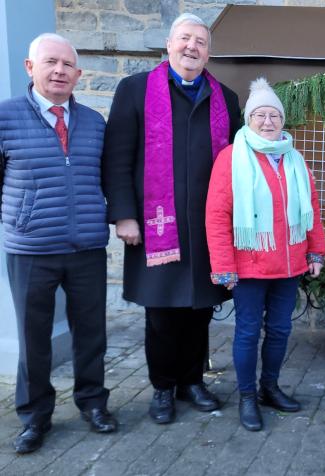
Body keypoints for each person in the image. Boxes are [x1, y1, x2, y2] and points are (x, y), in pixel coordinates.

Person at [102, 13, 241, 424]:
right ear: (168, 43)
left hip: (205, 228)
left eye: (200, 41)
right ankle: (163, 387)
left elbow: (235, 164)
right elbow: (117, 156)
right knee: (161, 313)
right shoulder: (135, 90)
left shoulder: (226, 99)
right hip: (154, 224)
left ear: (209, 52)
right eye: (185, 38)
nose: (191, 47)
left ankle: (191, 381)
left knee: (200, 309)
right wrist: (124, 215)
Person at [0, 33, 118, 454]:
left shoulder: (93, 121)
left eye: (68, 65)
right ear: (30, 68)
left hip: (86, 248)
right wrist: (17, 221)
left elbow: (109, 178)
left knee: (92, 334)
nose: (60, 71)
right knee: (34, 340)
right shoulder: (5, 116)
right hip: (31, 250)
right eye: (50, 62)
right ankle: (34, 417)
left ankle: (92, 403)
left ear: (79, 74)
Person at [205, 78, 325, 431]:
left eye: (274, 115)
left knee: (279, 331)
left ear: (283, 120)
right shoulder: (232, 158)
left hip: (289, 265)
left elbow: (312, 209)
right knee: (246, 332)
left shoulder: (295, 158)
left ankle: (269, 388)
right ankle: (246, 397)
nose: (268, 121)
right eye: (260, 114)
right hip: (248, 267)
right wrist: (223, 267)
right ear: (248, 119)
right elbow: (216, 215)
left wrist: (316, 250)